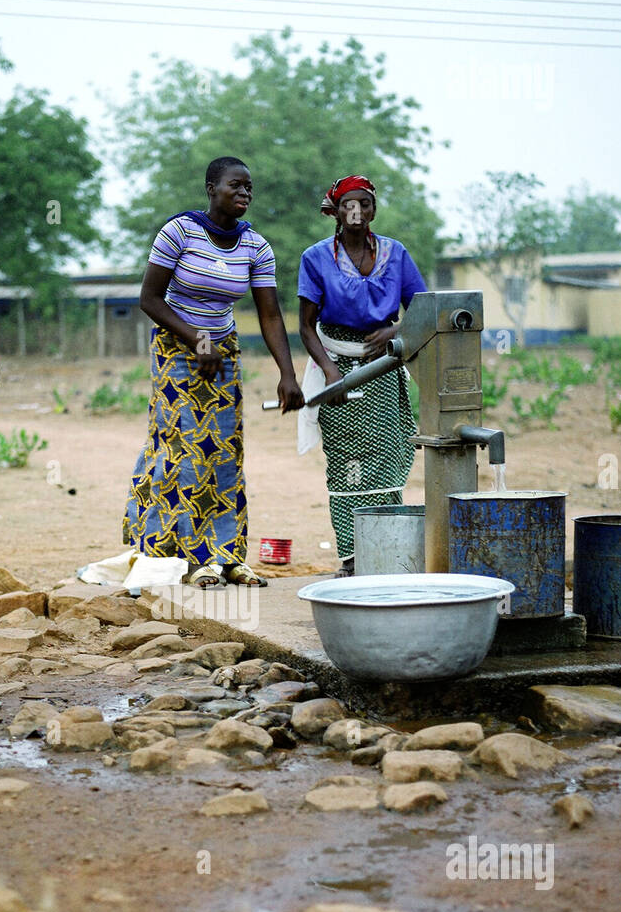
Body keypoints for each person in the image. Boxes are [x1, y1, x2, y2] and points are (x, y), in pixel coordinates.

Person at [123, 156, 304, 588]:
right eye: (235, 186)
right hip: (176, 347)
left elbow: (271, 316)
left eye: (249, 188)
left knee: (225, 450)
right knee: (186, 447)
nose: (244, 194)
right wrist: (194, 338)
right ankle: (189, 556)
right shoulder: (180, 232)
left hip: (221, 350)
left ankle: (227, 555)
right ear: (211, 188)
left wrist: (287, 373)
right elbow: (149, 299)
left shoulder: (255, 246)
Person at [297, 174, 428, 576]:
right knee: (346, 465)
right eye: (348, 204)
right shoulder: (316, 257)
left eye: (364, 204)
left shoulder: (396, 253)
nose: (356, 211)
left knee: (389, 460)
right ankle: (353, 558)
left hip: (384, 369)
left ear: (373, 209)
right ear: (335, 211)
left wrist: (394, 331)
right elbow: (305, 325)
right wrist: (330, 370)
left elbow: (423, 309)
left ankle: (390, 551)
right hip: (337, 368)